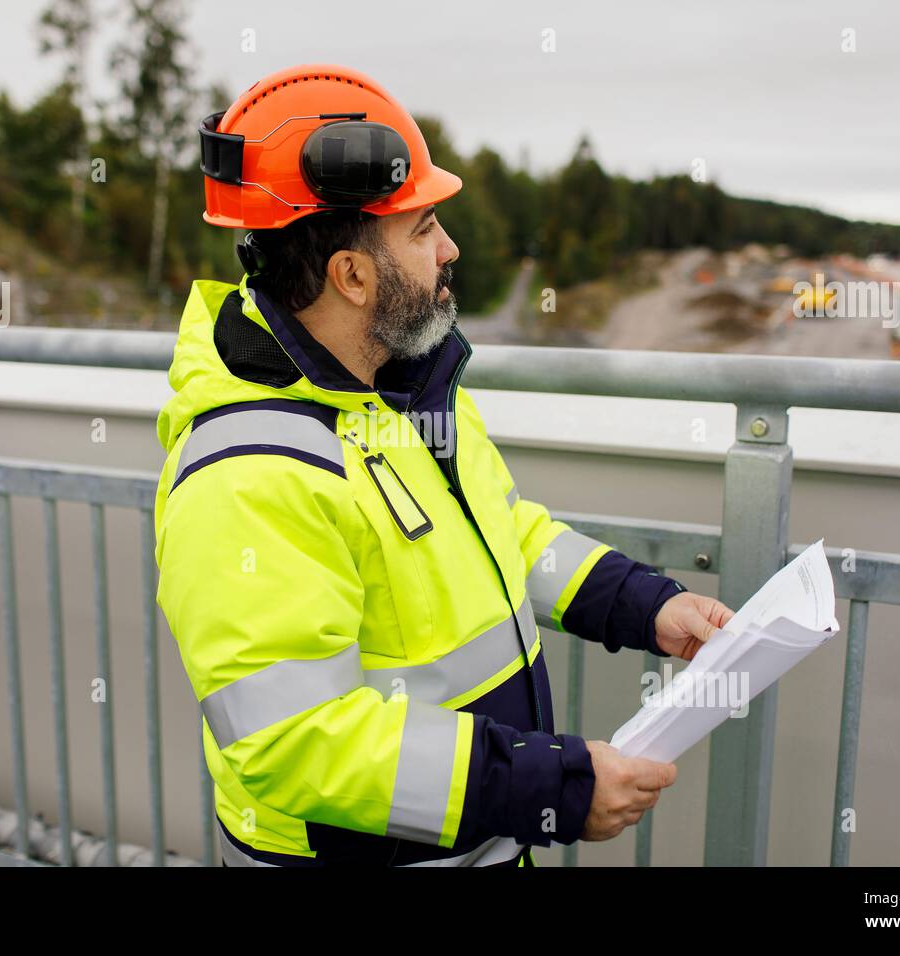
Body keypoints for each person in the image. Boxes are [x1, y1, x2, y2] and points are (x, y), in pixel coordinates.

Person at [154, 63, 734, 867]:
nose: (450, 248)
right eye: (424, 228)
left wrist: (644, 607)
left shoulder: (401, 389)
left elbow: (501, 535)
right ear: (350, 276)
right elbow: (294, 742)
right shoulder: (248, 475)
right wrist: (550, 786)